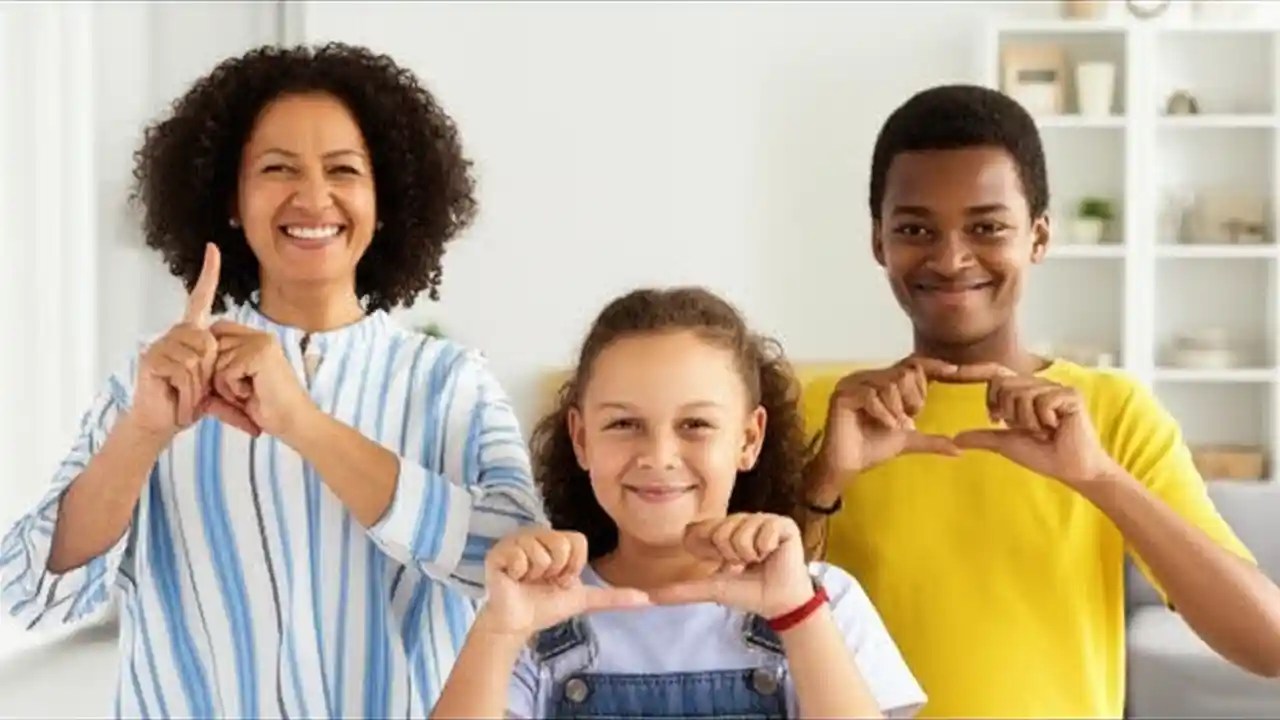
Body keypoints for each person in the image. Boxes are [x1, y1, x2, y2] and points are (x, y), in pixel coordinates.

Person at [0, 43, 545, 719]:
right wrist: (140, 435)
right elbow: (33, 594)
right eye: (276, 168)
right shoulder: (156, 380)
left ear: (386, 199)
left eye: (343, 170)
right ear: (230, 198)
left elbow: (522, 562)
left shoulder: (449, 383)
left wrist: (305, 425)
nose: (313, 197)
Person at [800, 84, 1280, 718]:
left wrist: (1099, 477)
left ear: (1039, 236)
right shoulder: (821, 410)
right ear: (878, 242)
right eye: (916, 228)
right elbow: (732, 621)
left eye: (987, 227)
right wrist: (823, 481)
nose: (950, 258)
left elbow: (1268, 645)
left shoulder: (1112, 411)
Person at [430, 287, 927, 720]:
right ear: (581, 439)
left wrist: (798, 615)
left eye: (695, 425)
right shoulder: (531, 617)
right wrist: (498, 634)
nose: (659, 457)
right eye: (624, 424)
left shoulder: (826, 602)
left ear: (749, 438)